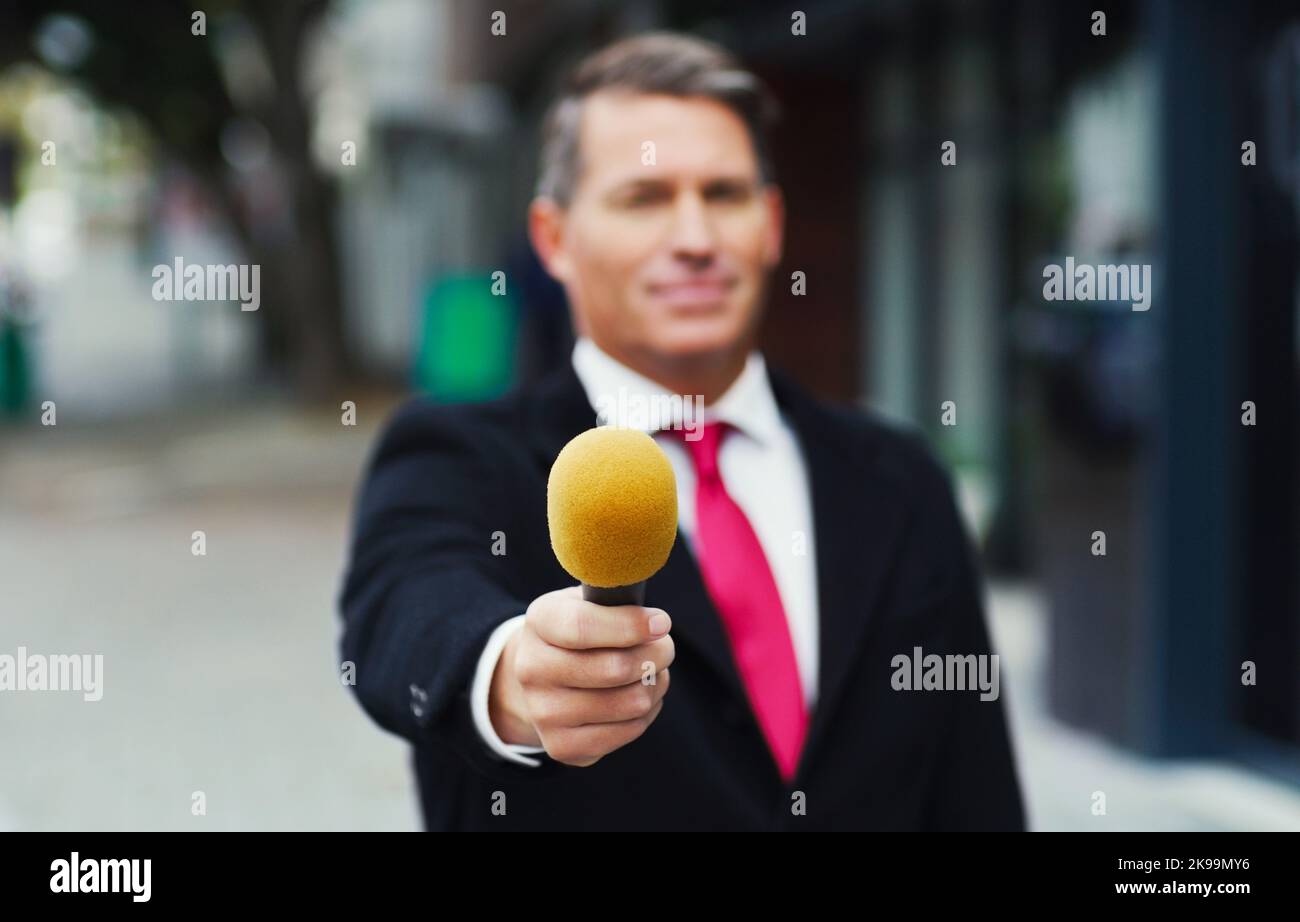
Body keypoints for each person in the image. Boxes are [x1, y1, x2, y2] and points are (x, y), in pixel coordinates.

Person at [339, 32, 1026, 831]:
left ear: (770, 225)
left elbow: (975, 787)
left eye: (725, 194)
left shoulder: (903, 477)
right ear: (554, 239)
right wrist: (508, 676)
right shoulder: (458, 457)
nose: (695, 239)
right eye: (645, 197)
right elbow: (407, 610)